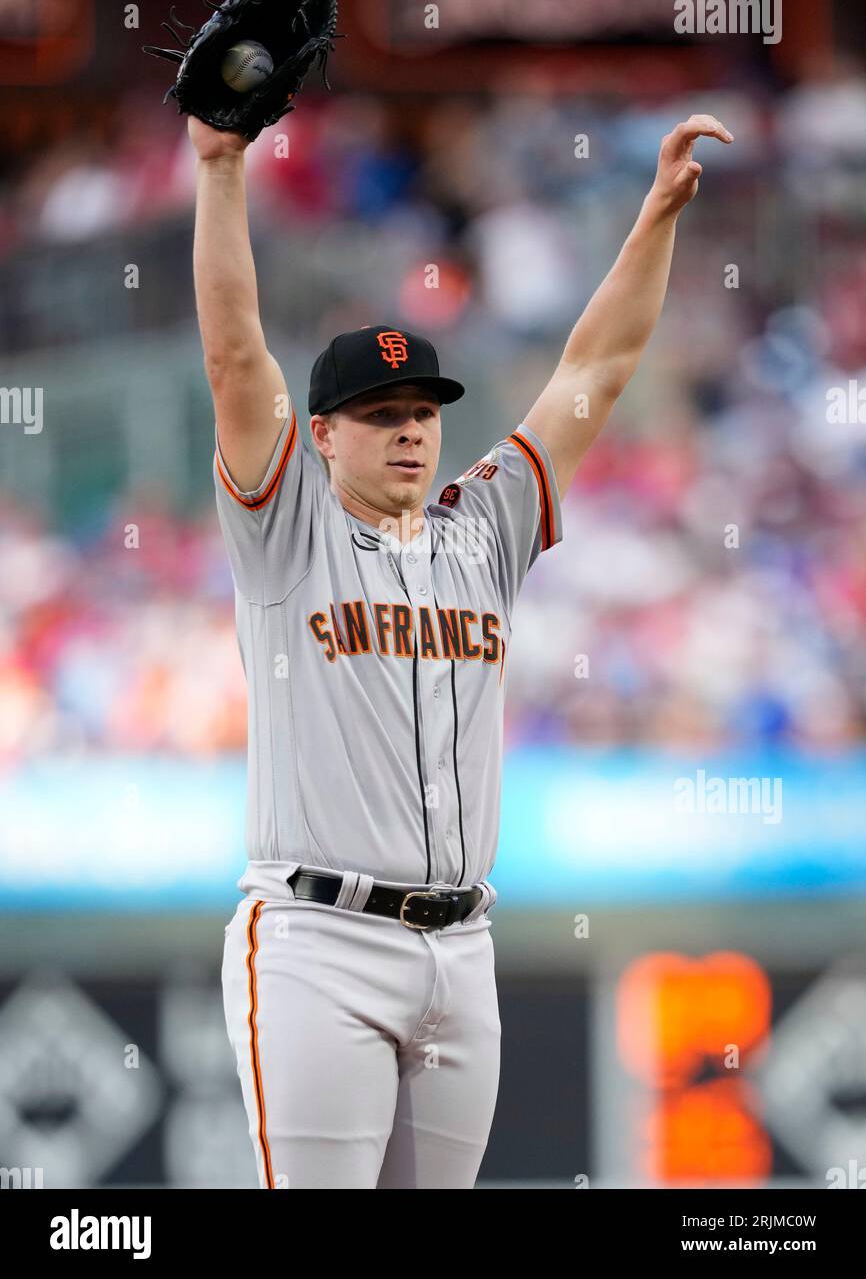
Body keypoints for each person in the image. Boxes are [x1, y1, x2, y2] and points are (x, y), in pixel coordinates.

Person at [190, 110, 732, 1189]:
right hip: (316, 937)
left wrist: (656, 215)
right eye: (377, 411)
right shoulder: (287, 529)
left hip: (460, 948)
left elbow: (599, 365)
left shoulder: (482, 528)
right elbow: (233, 352)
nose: (407, 427)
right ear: (323, 434)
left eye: (422, 408)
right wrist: (218, 167)